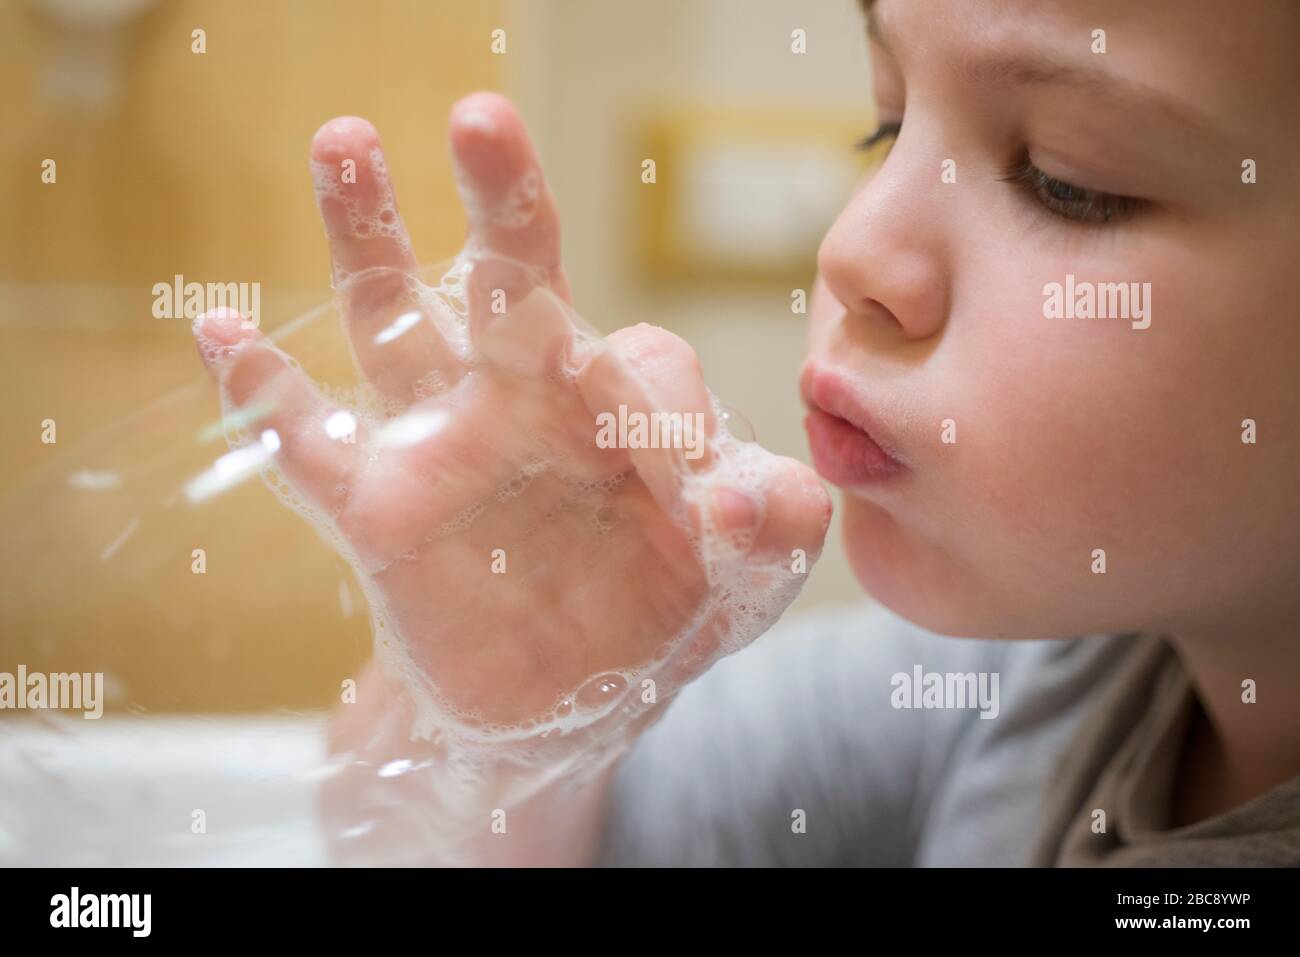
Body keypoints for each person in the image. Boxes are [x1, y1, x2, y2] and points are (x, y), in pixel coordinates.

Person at [192, 0, 1300, 866]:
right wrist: (511, 724)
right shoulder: (1038, 689)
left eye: (1069, 182)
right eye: (886, 120)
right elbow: (434, 849)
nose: (852, 250)